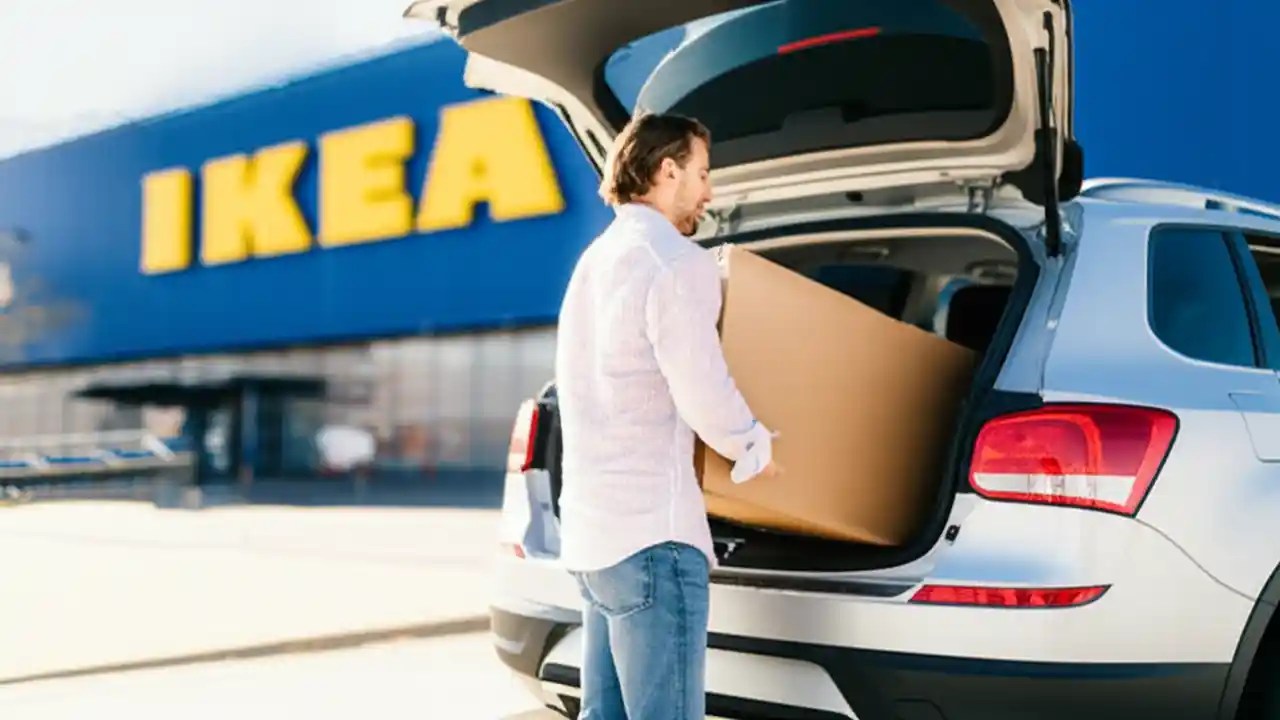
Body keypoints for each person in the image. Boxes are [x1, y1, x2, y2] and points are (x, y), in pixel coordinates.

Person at [554, 112, 779, 719]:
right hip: (653, 540)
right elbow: (703, 390)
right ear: (667, 168)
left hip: (595, 540)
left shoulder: (594, 263)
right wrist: (756, 447)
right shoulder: (677, 262)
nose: (709, 192)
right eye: (702, 173)